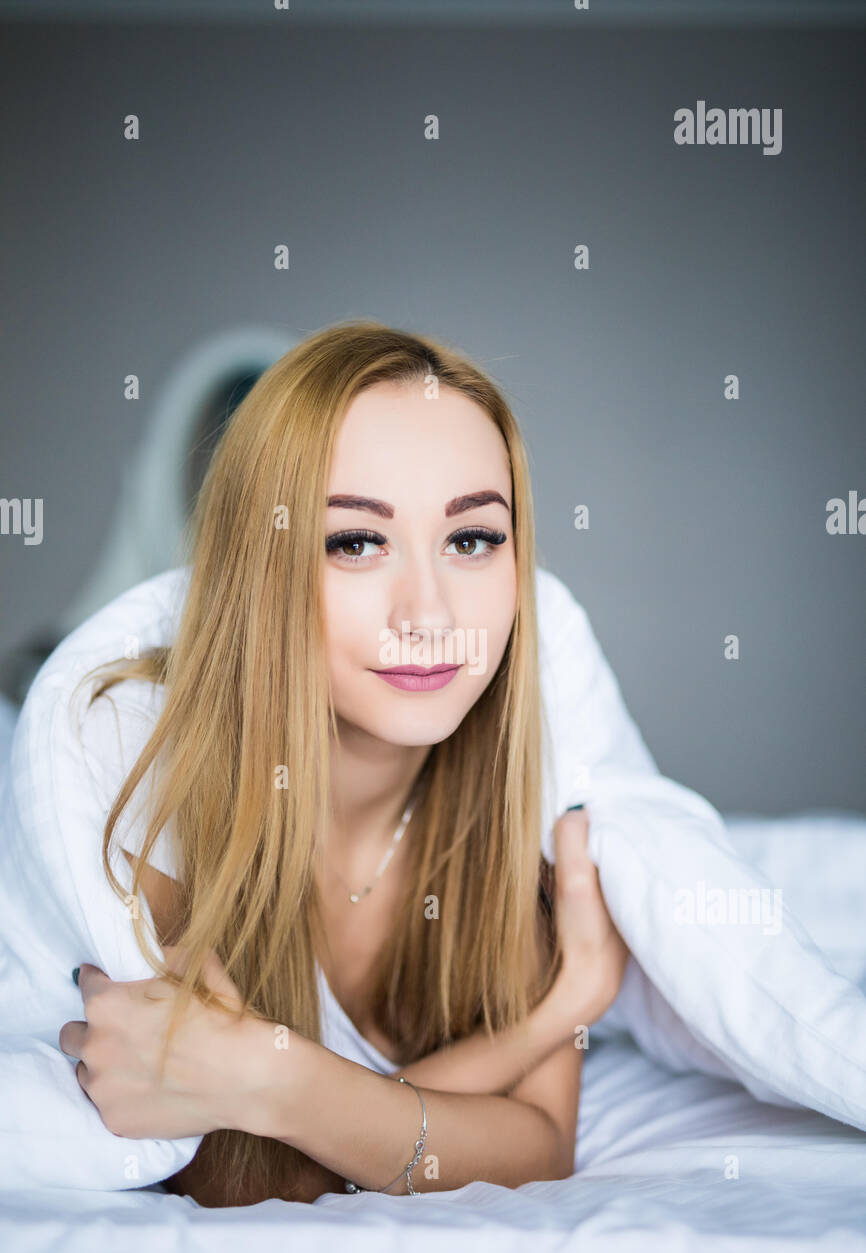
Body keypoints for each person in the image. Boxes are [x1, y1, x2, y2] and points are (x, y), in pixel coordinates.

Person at [58, 320, 630, 1206]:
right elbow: (245, 1170)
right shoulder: (133, 756)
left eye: (472, 539)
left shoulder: (527, 781)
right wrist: (557, 1013)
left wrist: (269, 1078)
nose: (430, 613)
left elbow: (541, 1146)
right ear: (267, 563)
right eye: (356, 542)